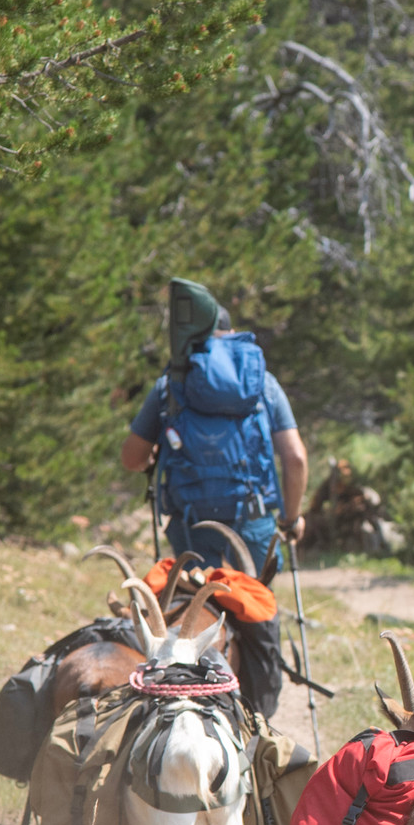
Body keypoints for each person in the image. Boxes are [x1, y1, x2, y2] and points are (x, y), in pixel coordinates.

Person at [121, 281, 307, 713]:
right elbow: (295, 458)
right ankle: (259, 710)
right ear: (231, 333)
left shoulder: (172, 384)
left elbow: (131, 458)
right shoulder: (262, 382)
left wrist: (157, 453)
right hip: (253, 526)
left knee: (191, 607)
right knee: (252, 607)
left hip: (191, 524)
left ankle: (179, 697)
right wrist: (291, 518)